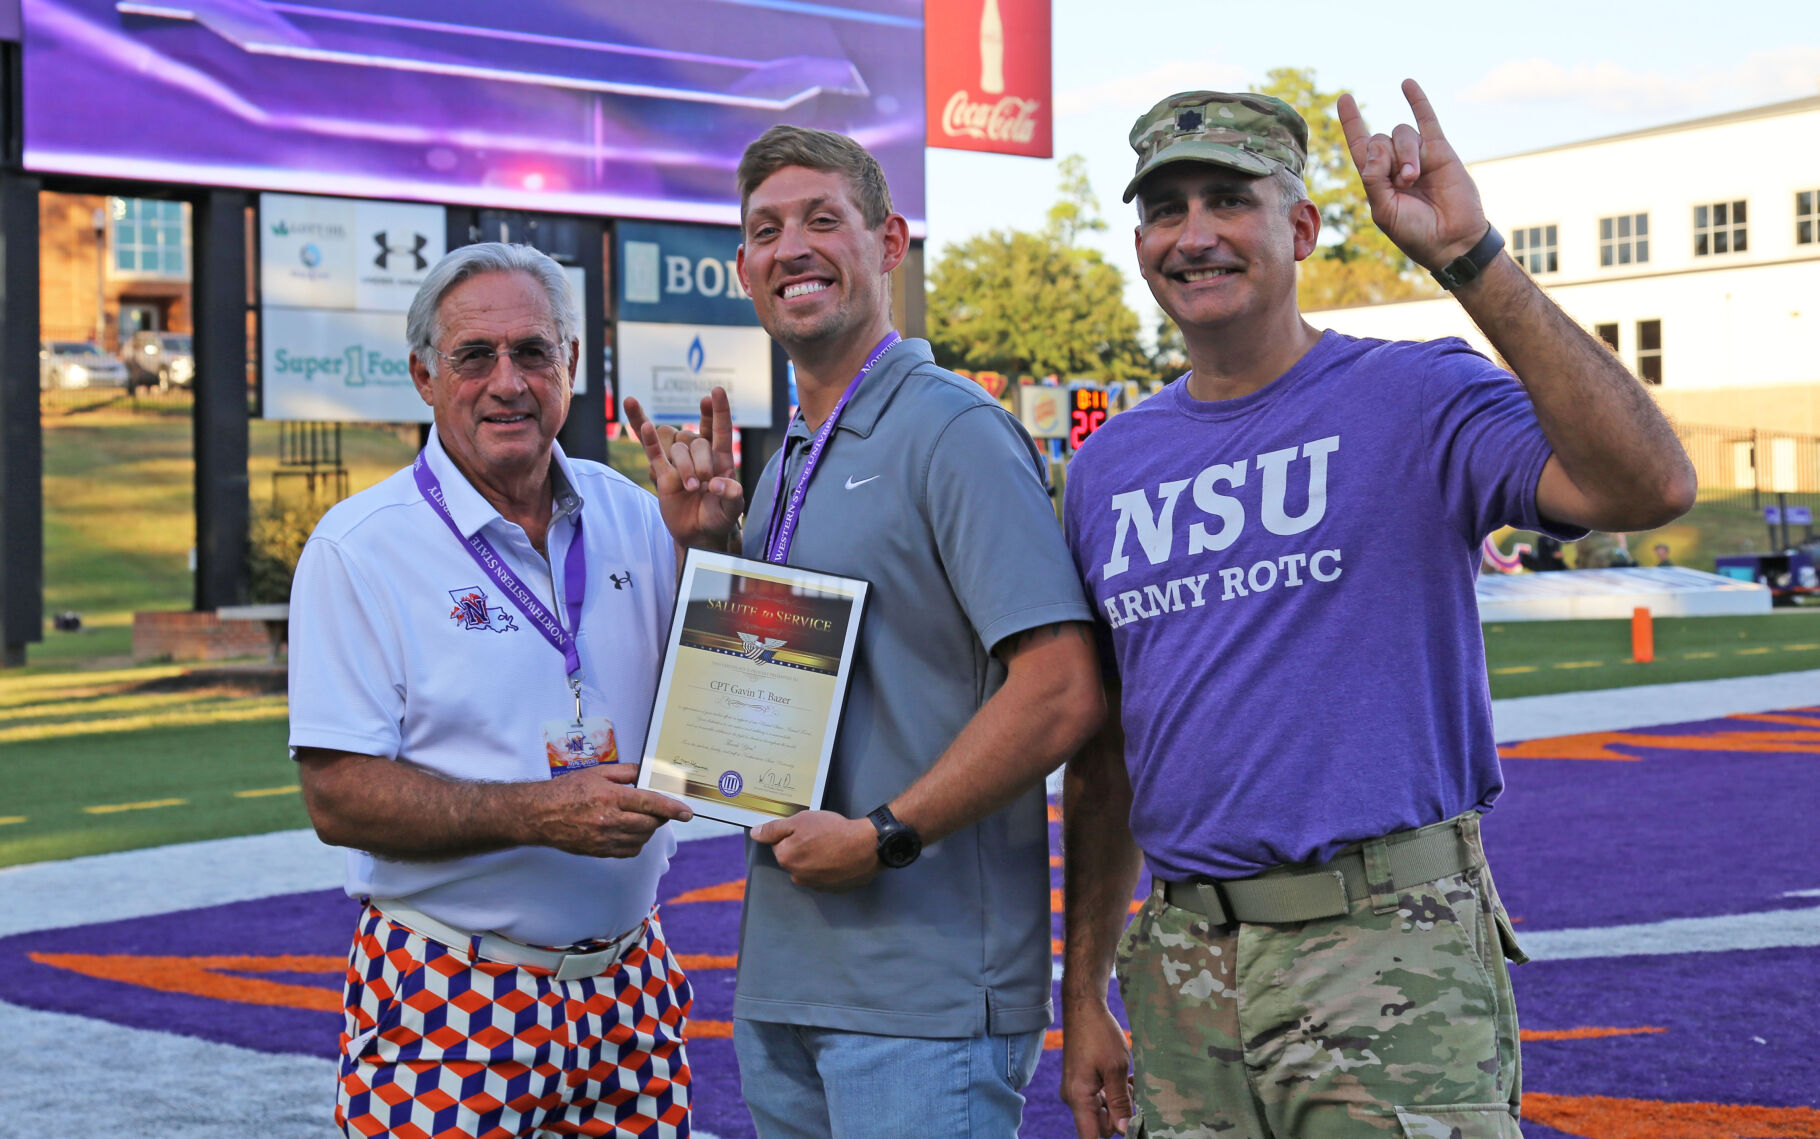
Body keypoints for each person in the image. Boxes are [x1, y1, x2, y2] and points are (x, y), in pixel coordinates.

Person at [1058, 84, 1695, 1139]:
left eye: (1228, 199)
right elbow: (1104, 756)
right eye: (1164, 209)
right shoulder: (1105, 466)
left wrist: (1470, 257)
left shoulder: (1414, 394)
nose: (1194, 234)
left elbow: (1646, 486)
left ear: (1299, 227)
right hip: (1181, 967)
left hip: (1384, 946)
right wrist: (1079, 990)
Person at [630, 124, 1104, 1138]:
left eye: (820, 219)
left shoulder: (951, 429)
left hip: (923, 992)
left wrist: (886, 832)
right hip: (790, 978)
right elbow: (763, 703)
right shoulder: (790, 453)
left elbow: (1062, 685)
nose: (790, 247)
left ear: (888, 242)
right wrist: (705, 549)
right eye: (765, 230)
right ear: (744, 269)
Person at [288, 242, 700, 1139]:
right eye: (476, 356)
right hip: (449, 986)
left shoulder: (637, 512)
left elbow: (724, 705)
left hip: (630, 986)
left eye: (533, 351)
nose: (507, 381)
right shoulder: (361, 546)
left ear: (573, 367)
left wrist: (716, 546)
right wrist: (537, 812)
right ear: (425, 378)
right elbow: (337, 794)